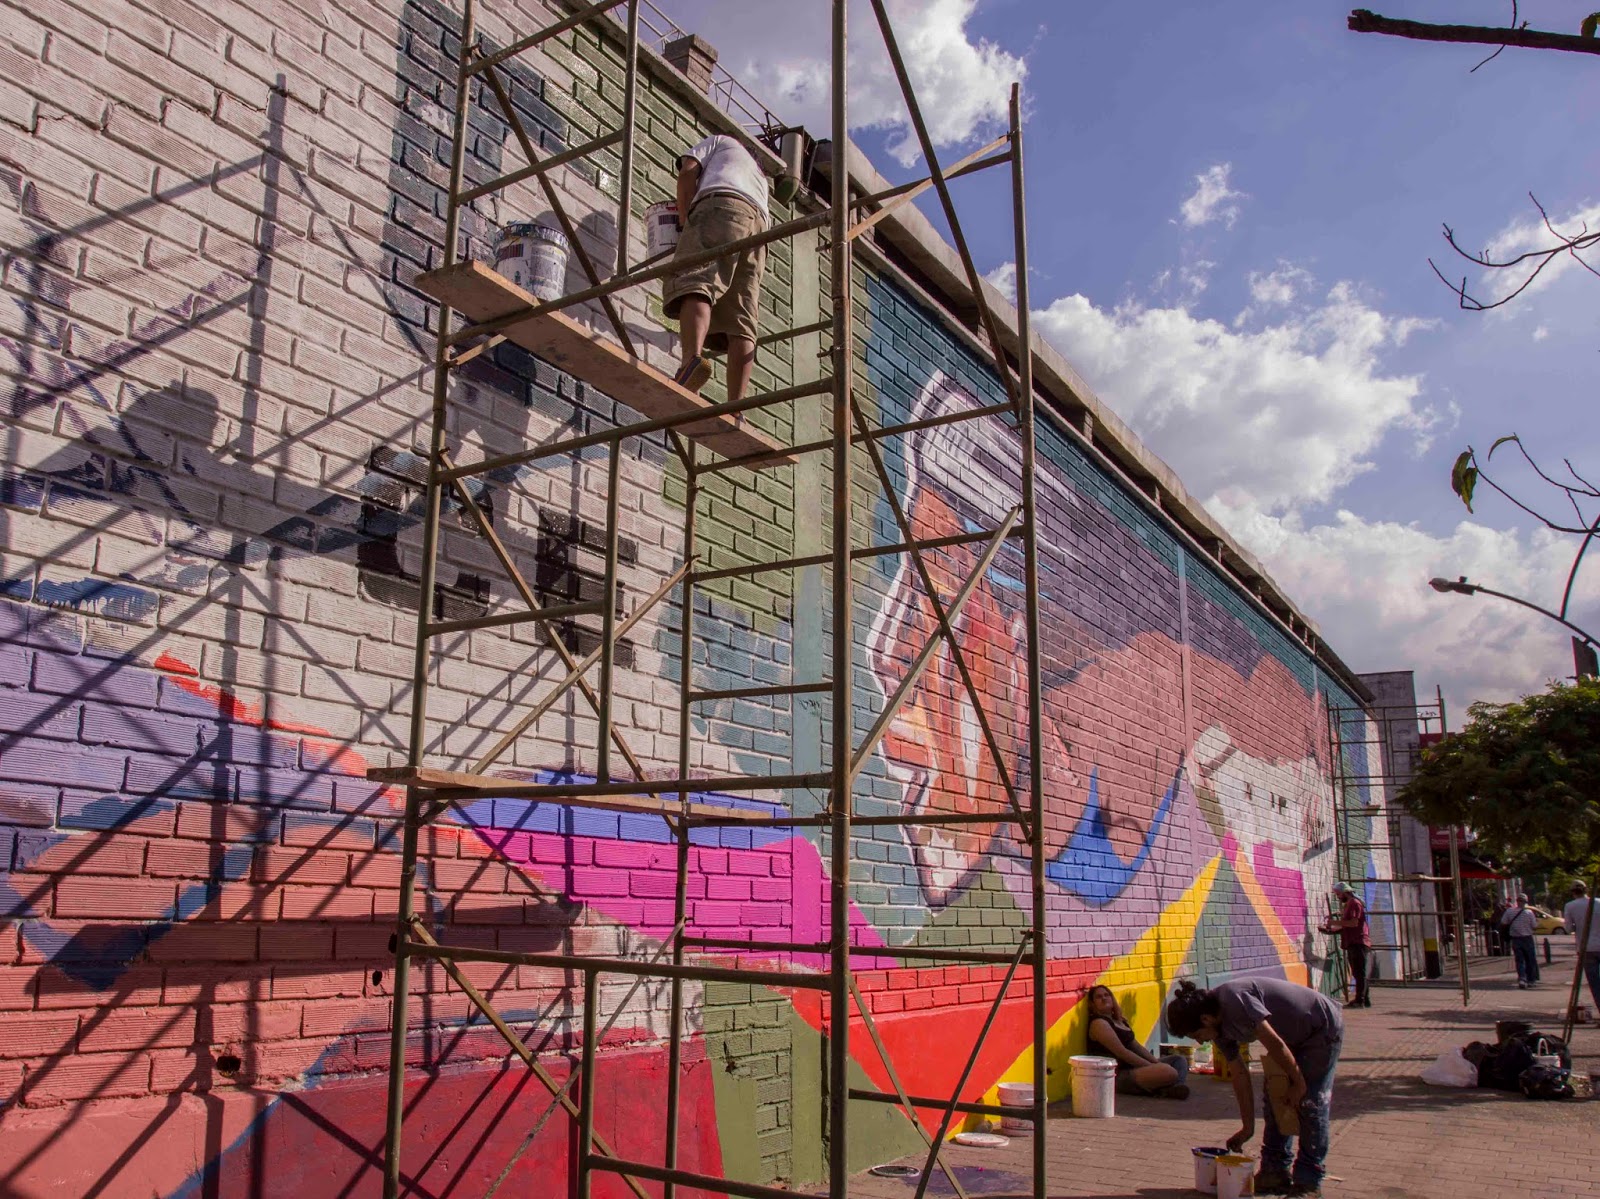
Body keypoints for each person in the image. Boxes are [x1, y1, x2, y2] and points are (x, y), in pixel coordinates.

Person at [1166, 977, 1343, 1198]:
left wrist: (1299, 1083)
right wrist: (1247, 1128)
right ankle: (1274, 1172)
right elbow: (1240, 1076)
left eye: (1197, 1035)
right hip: (1289, 1037)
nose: (1201, 1042)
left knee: (1310, 1103)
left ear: (1206, 1019)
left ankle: (1309, 1182)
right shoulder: (1219, 1030)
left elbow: (1275, 1043)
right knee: (1276, 1097)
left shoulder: (1235, 1000)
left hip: (1320, 1027)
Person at [663, 132, 770, 406]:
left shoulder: (721, 141)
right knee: (741, 315)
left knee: (697, 279)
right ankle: (737, 406)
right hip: (760, 229)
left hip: (723, 205)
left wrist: (685, 219)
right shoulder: (760, 178)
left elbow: (688, 172)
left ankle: (691, 362)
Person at [1083, 984, 1189, 1099]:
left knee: (1179, 1060)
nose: (1104, 998)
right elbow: (1122, 1053)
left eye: (1106, 995)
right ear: (1092, 1004)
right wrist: (1151, 1066)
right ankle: (1166, 1088)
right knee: (1169, 1072)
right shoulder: (1099, 1024)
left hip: (1135, 1068)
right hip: (1117, 1074)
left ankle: (1175, 1087)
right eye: (1098, 997)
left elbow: (1137, 1047)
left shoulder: (1119, 1021)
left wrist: (1155, 1063)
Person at [1320, 882, 1371, 1008]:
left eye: (1338, 894)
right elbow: (1347, 927)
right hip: (1353, 941)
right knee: (1358, 973)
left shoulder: (1354, 903)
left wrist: (1333, 922)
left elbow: (1353, 923)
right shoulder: (1350, 904)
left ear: (1345, 892)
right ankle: (1364, 999)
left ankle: (1360, 1000)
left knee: (1359, 972)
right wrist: (1332, 930)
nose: (1338, 897)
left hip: (1358, 942)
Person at [1563, 881, 1600, 1010]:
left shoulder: (1570, 906)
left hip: (1586, 948)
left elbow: (1568, 929)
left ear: (1573, 892)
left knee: (1595, 983)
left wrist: (1577, 925)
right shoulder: (1598, 902)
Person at [1501, 892, 1540, 988]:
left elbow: (1503, 922)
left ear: (1517, 901)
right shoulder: (1529, 913)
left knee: (1519, 960)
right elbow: (1534, 926)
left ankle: (1522, 979)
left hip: (1516, 938)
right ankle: (1531, 980)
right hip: (1527, 938)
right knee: (1530, 959)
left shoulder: (1509, 911)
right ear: (1525, 902)